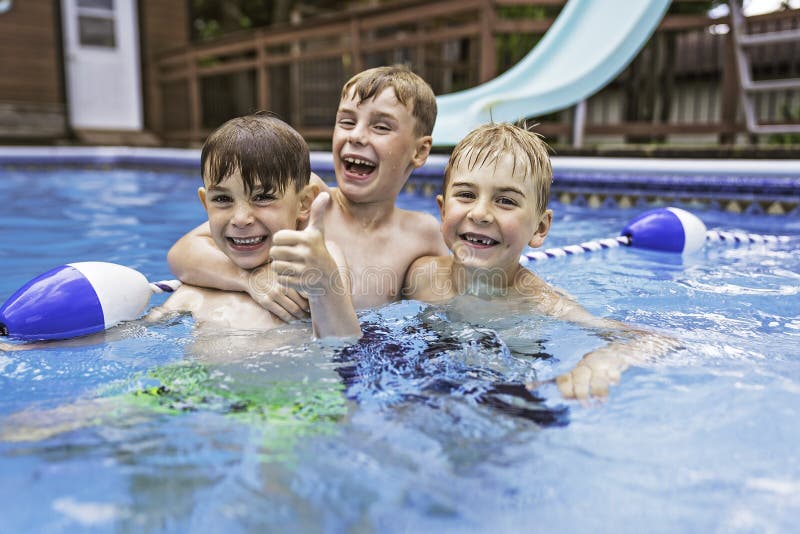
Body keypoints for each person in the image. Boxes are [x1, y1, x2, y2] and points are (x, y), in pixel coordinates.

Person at [0, 113, 361, 353]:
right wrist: (31, 347)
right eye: (222, 199)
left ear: (304, 203)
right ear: (205, 203)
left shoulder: (316, 260)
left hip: (281, 403)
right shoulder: (198, 285)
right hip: (187, 391)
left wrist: (324, 281)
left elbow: (343, 342)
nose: (240, 218)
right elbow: (139, 332)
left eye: (263, 197)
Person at [401, 122, 680, 400]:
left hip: (505, 396)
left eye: (506, 201)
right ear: (442, 210)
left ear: (540, 229)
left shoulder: (540, 301)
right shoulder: (419, 275)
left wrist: (605, 358)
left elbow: (655, 339)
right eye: (466, 195)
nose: (480, 213)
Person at [166, 65, 448, 318]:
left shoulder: (422, 233)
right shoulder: (311, 201)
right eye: (347, 122)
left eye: (381, 126)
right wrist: (249, 279)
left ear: (420, 150)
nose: (357, 135)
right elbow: (183, 253)